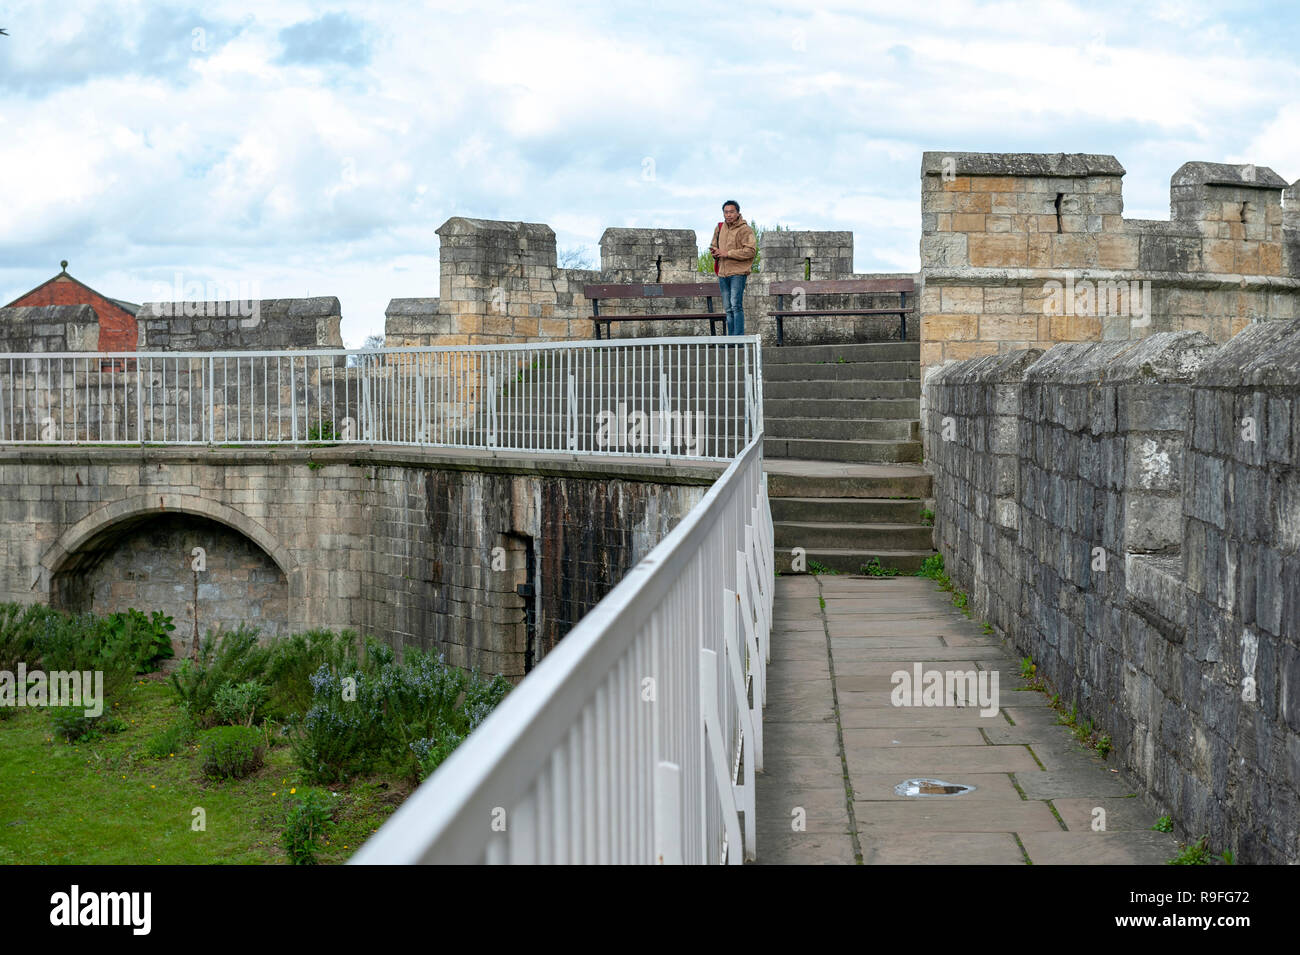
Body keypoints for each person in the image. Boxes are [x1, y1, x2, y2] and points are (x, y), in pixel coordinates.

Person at [709, 200, 757, 335]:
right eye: (726, 212)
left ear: (738, 213)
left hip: (738, 273)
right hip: (723, 273)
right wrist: (715, 252)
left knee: (736, 306)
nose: (728, 215)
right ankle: (731, 340)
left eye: (731, 212)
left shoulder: (745, 229)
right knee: (728, 308)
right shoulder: (719, 227)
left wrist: (727, 253)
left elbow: (750, 251)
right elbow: (713, 245)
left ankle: (739, 339)